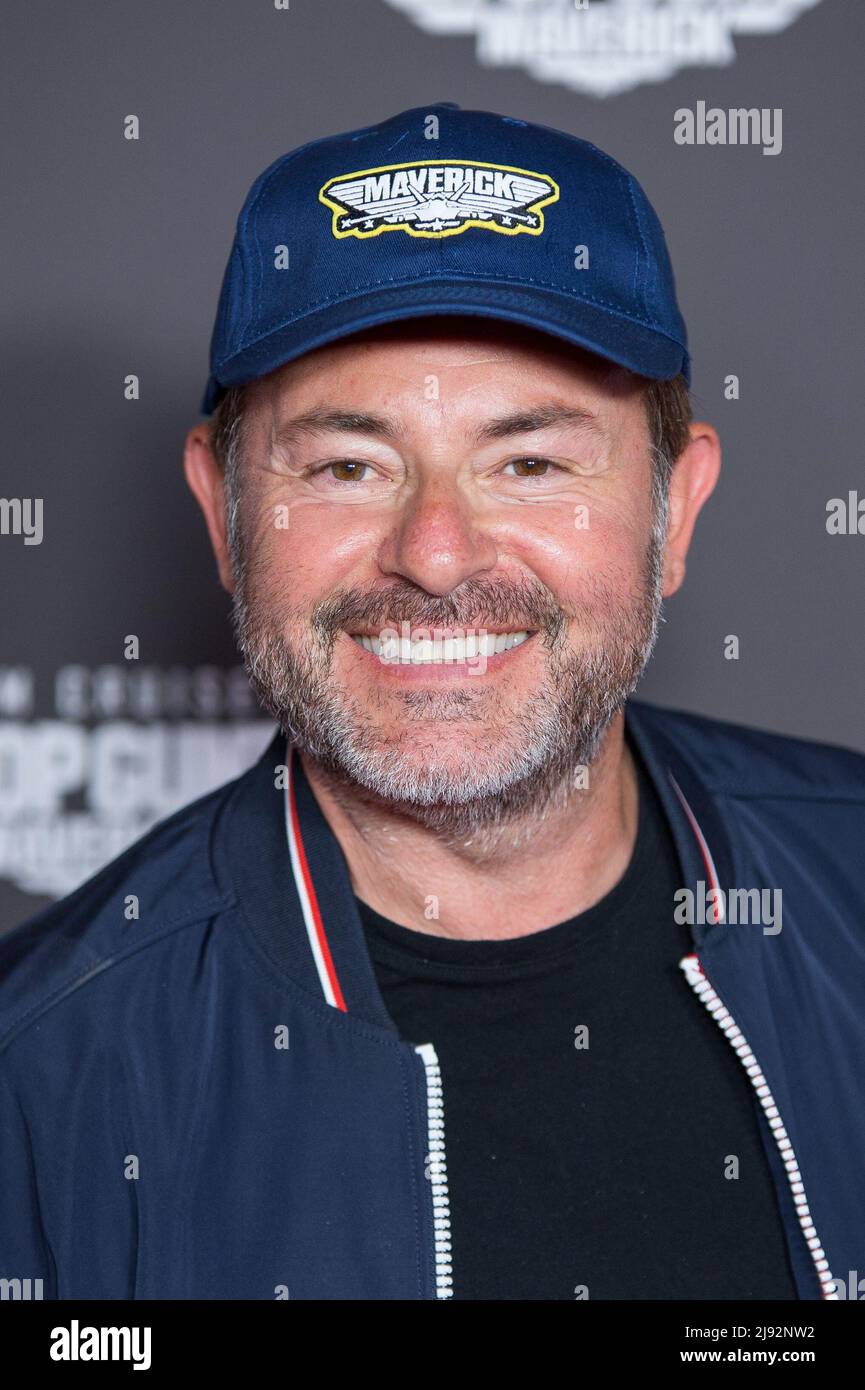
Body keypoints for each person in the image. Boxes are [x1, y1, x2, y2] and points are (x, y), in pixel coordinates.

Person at [1, 103, 863, 1302]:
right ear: (223, 512)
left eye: (531, 462)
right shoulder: (41, 1077)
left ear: (676, 510)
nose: (440, 554)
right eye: (348, 466)